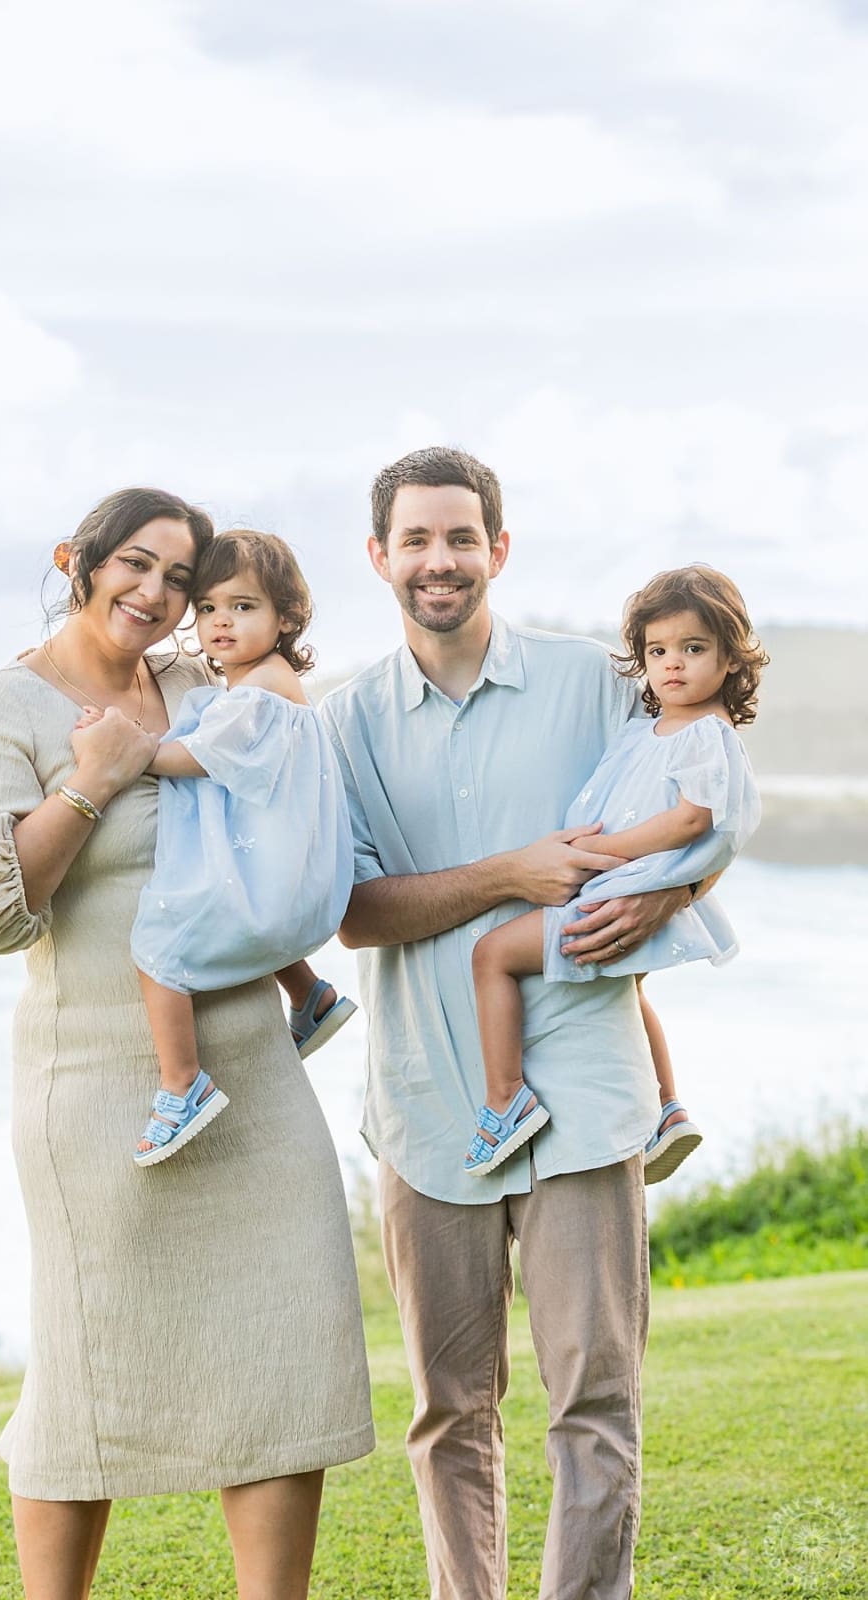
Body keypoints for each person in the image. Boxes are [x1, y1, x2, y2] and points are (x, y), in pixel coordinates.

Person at [0, 487, 374, 1600]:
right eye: (136, 564)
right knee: (86, 1376)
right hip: (102, 1087)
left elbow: (282, 806)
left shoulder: (201, 682)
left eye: (180, 577)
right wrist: (93, 776)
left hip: (254, 1082)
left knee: (281, 1349)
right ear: (78, 561)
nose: (160, 595)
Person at [321, 446, 721, 1600]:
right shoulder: (341, 722)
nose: (437, 561)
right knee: (450, 1409)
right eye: (415, 540)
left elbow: (696, 821)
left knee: (593, 1401)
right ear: (378, 557)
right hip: (426, 1101)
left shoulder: (599, 683)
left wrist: (665, 893)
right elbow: (349, 915)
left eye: (459, 538)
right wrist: (508, 875)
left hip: (587, 1094)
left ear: (497, 549)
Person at [465, 564, 766, 1183]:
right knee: (631, 994)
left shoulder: (707, 734)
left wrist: (607, 851)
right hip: (617, 885)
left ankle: (504, 1100)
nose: (673, 664)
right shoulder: (649, 729)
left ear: (732, 659)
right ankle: (667, 1109)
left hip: (615, 893)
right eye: (658, 650)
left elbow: (693, 820)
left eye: (693, 648)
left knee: (491, 956)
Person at [72, 529, 356, 1165]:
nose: (220, 622)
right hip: (286, 873)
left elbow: (191, 759)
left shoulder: (258, 694)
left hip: (277, 881)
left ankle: (183, 1085)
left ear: (287, 618)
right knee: (236, 890)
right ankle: (312, 996)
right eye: (206, 608)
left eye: (243, 606)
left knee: (158, 950)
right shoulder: (258, 682)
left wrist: (119, 746)